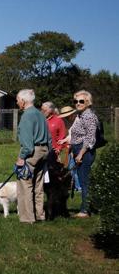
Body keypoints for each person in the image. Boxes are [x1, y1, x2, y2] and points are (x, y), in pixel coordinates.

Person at [59, 90, 99, 218]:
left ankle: (85, 210)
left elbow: (90, 138)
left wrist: (80, 154)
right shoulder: (80, 115)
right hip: (78, 149)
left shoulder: (88, 116)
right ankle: (88, 207)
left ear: (88, 102)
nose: (78, 103)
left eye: (81, 101)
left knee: (84, 181)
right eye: (75, 101)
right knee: (83, 180)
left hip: (85, 152)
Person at [14, 89, 50, 224]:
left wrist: (21, 157)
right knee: (38, 186)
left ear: (23, 101)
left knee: (25, 185)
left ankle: (27, 218)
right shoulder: (41, 115)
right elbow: (49, 137)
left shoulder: (27, 116)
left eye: (17, 100)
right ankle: (40, 215)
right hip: (44, 150)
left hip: (32, 152)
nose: (17, 102)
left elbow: (27, 144)